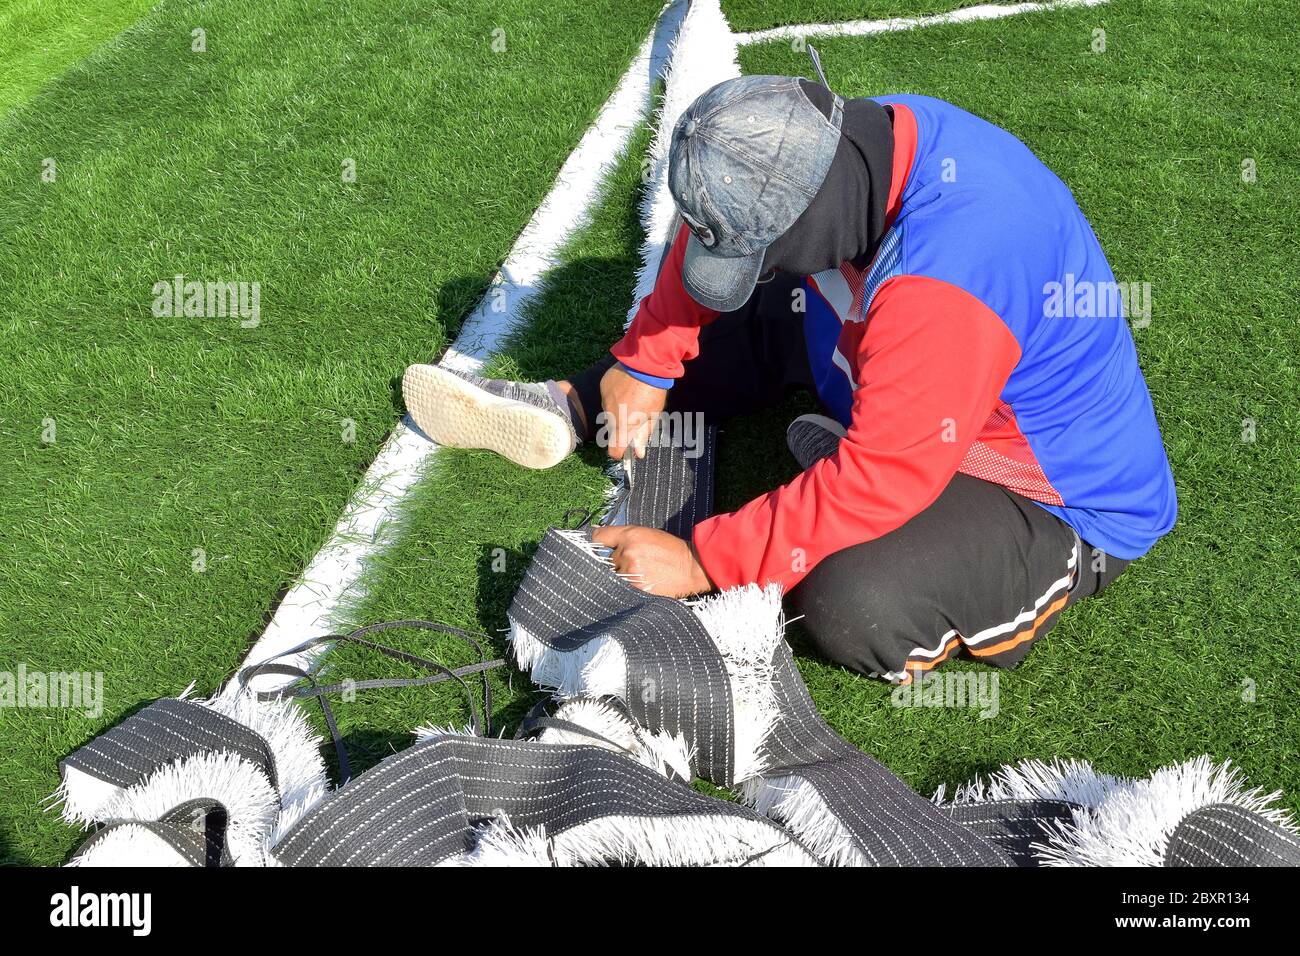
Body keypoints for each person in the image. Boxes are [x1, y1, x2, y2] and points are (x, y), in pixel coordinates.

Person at [402, 68, 1176, 683]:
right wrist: (647, 360)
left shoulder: (949, 280)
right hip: (916, 381)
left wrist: (705, 560)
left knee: (851, 605)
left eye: (761, 244)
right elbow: (726, 210)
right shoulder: (856, 144)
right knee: (753, 306)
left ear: (817, 213)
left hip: (1040, 491)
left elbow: (883, 475)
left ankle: (1022, 577)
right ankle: (574, 403)